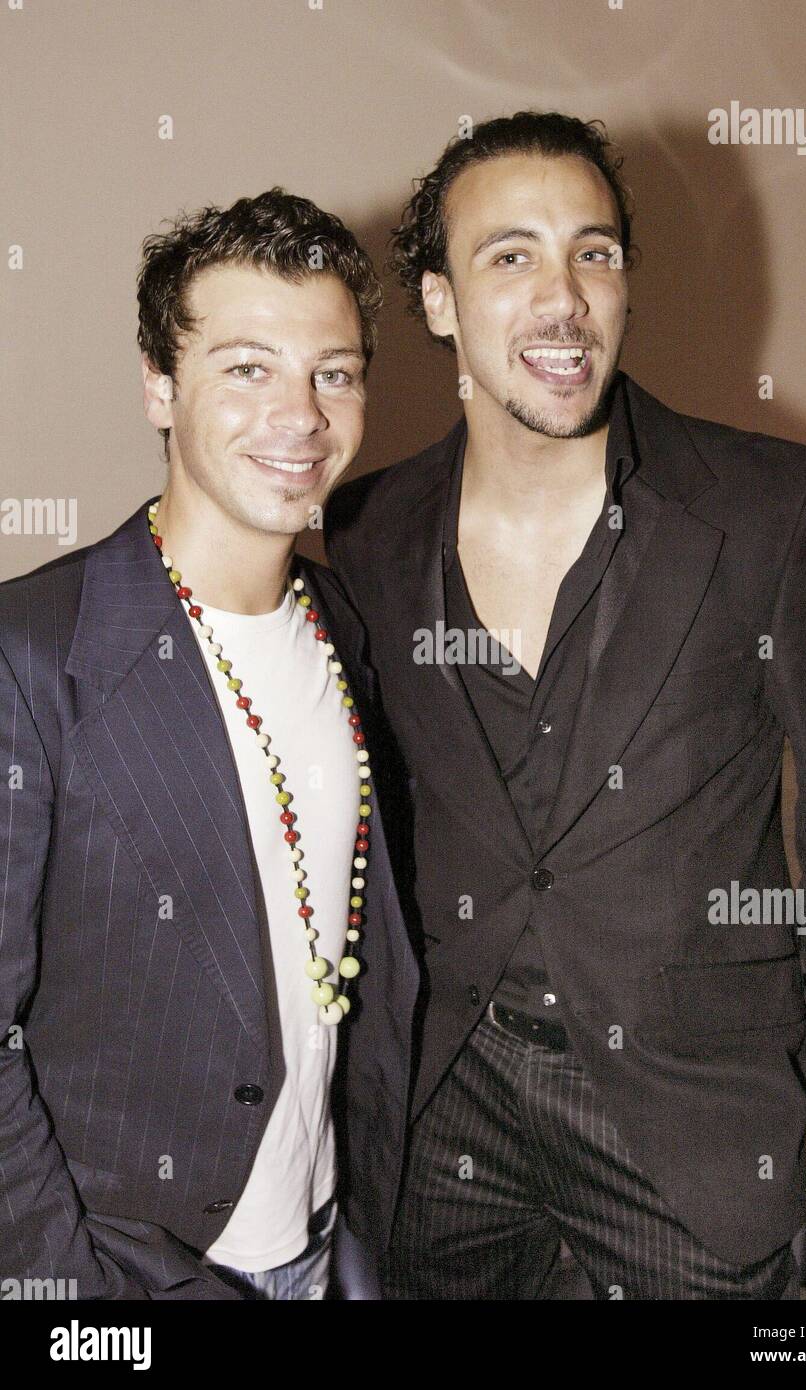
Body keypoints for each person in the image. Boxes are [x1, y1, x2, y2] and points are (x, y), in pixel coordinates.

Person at [324, 112, 806, 1299]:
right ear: (437, 301)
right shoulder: (366, 533)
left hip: (690, 1130)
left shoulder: (767, 510)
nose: (564, 298)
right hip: (446, 1128)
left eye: (593, 253)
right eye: (511, 256)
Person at [0, 188, 417, 1300]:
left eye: (332, 371)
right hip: (130, 1270)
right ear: (157, 383)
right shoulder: (31, 652)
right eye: (246, 367)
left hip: (327, 1243)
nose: (301, 414)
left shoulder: (348, 630)